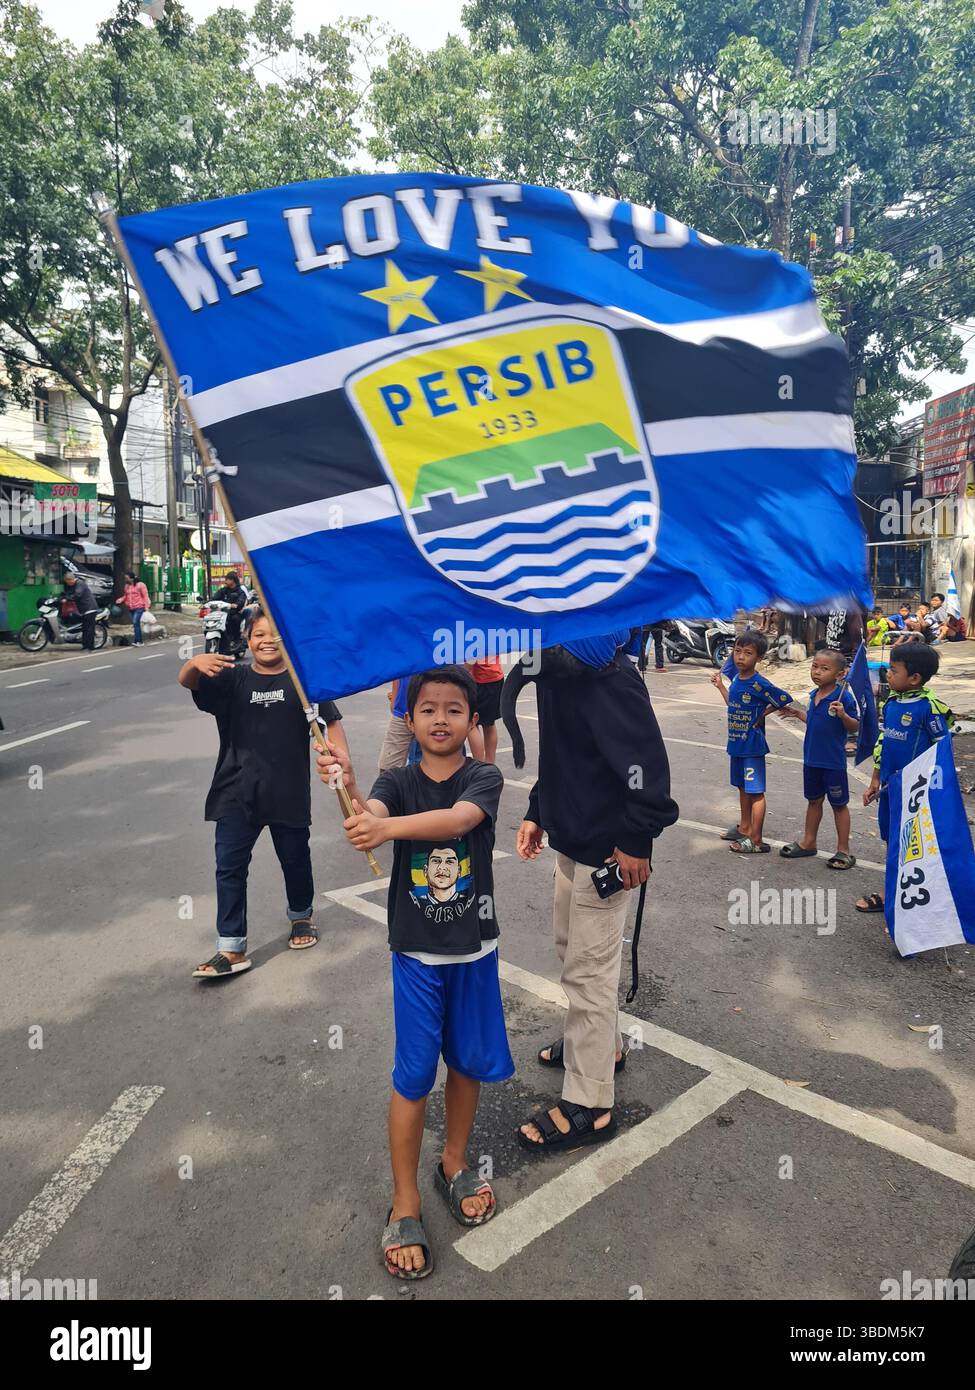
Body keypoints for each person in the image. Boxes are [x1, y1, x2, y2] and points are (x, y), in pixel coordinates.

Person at [316, 665, 511, 1280]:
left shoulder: (484, 776)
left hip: (475, 952)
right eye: (428, 709)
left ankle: (453, 1162)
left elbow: (457, 822)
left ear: (472, 721)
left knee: (468, 1065)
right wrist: (346, 787)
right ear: (409, 719)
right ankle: (405, 1201)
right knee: (412, 1077)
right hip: (417, 956)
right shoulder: (395, 783)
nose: (441, 719)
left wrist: (385, 829)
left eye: (455, 709)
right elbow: (369, 810)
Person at [505, 631, 679, 1154]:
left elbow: (647, 769)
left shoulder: (610, 677)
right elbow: (561, 755)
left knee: (589, 972)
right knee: (572, 954)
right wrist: (539, 809)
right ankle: (605, 1047)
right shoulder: (559, 671)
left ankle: (590, 1103)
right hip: (572, 837)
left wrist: (635, 840)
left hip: (607, 849)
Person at [179, 608, 348, 978]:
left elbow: (330, 721)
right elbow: (189, 682)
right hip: (235, 790)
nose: (267, 640)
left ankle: (301, 916)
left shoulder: (303, 684)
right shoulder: (233, 679)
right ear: (248, 640)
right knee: (229, 867)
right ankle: (231, 947)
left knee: (295, 858)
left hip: (287, 790)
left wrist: (340, 759)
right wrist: (195, 662)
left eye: (275, 634)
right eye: (258, 634)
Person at [855, 643, 952, 915]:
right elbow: (883, 743)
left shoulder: (929, 709)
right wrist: (875, 779)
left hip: (915, 794)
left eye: (894, 671)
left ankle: (897, 897)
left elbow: (941, 751)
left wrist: (933, 791)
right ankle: (896, 890)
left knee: (910, 844)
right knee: (891, 841)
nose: (888, 675)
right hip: (889, 788)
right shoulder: (893, 703)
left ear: (914, 678)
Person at [710, 629, 794, 853]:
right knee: (741, 786)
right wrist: (720, 687)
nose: (740, 657)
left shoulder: (759, 683)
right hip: (736, 744)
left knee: (755, 791)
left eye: (747, 653)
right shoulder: (737, 678)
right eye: (737, 651)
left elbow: (783, 698)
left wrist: (762, 715)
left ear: (759, 658)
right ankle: (745, 827)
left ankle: (756, 839)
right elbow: (733, 704)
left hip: (752, 746)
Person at [778, 648, 859, 869]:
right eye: (815, 666)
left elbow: (855, 726)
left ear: (840, 674)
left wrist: (843, 715)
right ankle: (808, 842)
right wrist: (799, 714)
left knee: (839, 805)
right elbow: (816, 722)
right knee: (813, 801)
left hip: (832, 763)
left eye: (825, 669)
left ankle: (844, 850)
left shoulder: (843, 698)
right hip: (811, 760)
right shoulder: (815, 695)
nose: (817, 672)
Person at [466, 653, 504, 762]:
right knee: (489, 724)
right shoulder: (493, 635)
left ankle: (479, 764)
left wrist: (462, 672)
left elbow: (472, 657)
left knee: (471, 724)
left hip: (478, 679)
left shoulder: (477, 635)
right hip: (496, 677)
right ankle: (490, 764)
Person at [211, 571, 249, 654]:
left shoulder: (240, 591)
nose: (225, 581)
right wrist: (207, 602)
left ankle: (236, 639)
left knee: (235, 619)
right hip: (223, 613)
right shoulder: (223, 590)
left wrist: (236, 605)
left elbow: (241, 601)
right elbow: (215, 598)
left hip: (235, 613)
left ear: (233, 580)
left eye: (227, 579)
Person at [62, 570, 98, 651]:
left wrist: (67, 599)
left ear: (70, 580)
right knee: (85, 628)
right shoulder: (75, 585)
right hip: (84, 610)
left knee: (89, 629)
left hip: (90, 608)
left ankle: (90, 646)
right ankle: (85, 645)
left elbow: (77, 594)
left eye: (67, 582)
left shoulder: (79, 583)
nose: (67, 584)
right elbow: (71, 593)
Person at [116, 570, 151, 646]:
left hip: (139, 607)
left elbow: (145, 596)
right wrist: (121, 599)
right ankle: (137, 640)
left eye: (127, 578)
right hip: (131, 607)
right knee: (135, 624)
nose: (125, 580)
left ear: (131, 578)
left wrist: (146, 606)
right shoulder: (127, 586)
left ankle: (139, 641)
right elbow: (126, 595)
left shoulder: (140, 585)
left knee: (135, 622)